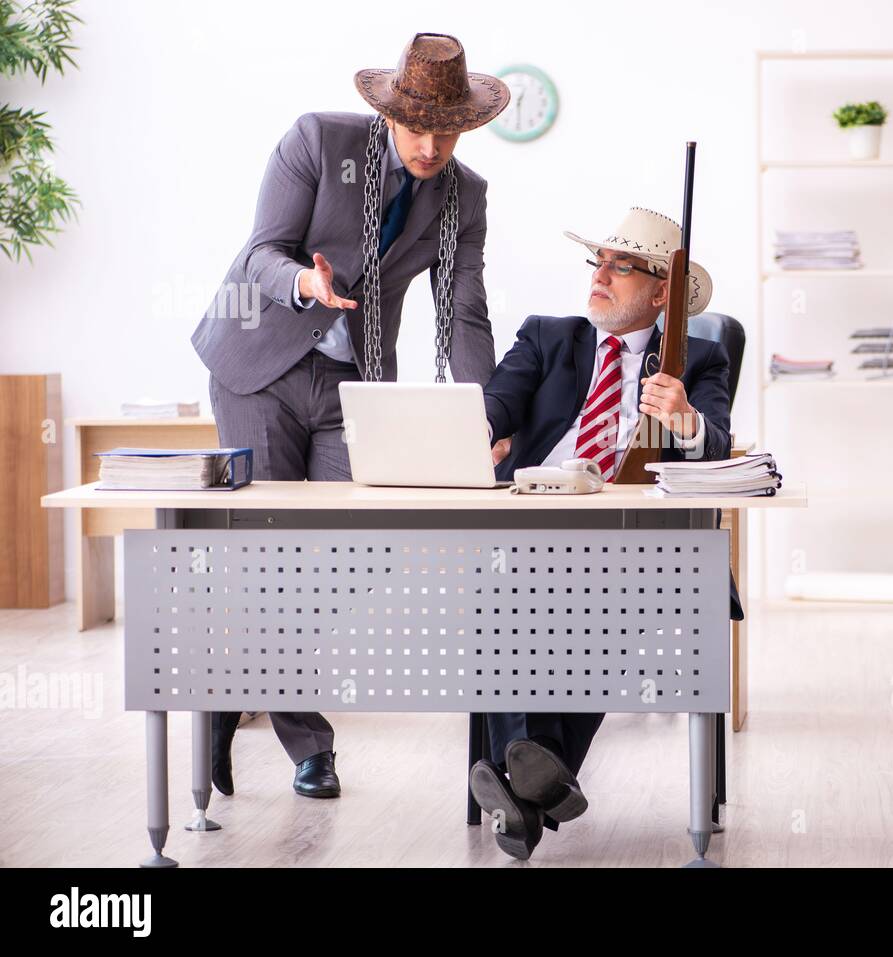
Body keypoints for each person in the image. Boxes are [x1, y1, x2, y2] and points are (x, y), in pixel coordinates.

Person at [190, 33, 508, 799]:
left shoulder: (465, 195)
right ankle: (312, 746)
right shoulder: (317, 141)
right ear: (392, 113)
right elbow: (262, 252)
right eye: (418, 128)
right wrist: (307, 282)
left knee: (337, 565)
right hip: (259, 366)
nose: (432, 146)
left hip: (353, 386)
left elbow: (463, 312)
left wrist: (488, 415)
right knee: (269, 557)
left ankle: (223, 700)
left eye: (448, 131)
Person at [469, 207, 742, 860]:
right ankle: (543, 777)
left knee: (600, 596)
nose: (603, 274)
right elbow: (495, 406)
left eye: (624, 266)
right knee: (516, 587)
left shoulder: (697, 359)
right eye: (599, 261)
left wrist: (684, 420)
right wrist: (476, 433)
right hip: (535, 525)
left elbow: (721, 446)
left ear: (661, 294)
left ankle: (521, 785)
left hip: (638, 543)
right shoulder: (545, 337)